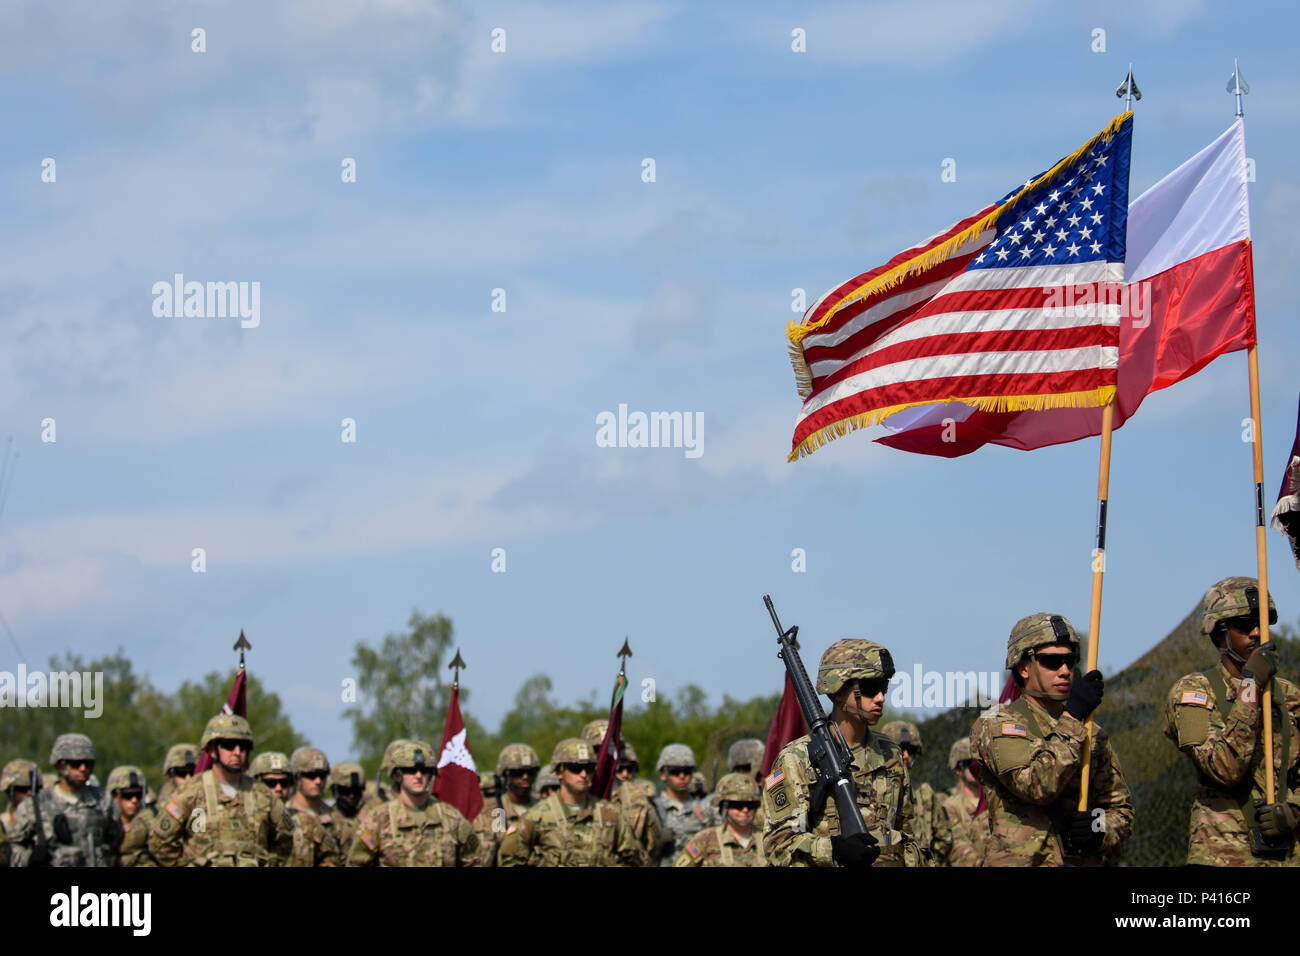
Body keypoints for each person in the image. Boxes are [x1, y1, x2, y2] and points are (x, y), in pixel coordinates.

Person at [971, 613, 1133, 866]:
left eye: (1070, 661)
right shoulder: (997, 724)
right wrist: (1074, 716)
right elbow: (1037, 785)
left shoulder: (1092, 733)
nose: (1065, 671)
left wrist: (1098, 829)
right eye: (1052, 662)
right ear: (1024, 667)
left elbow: (1118, 808)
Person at [1165, 577, 1300, 865]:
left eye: (1261, 623)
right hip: (1224, 855)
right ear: (1219, 635)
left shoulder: (1288, 695)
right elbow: (1224, 768)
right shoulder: (1193, 692)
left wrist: (1295, 811)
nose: (1255, 633)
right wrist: (1250, 686)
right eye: (1243, 625)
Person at [762, 639, 922, 867]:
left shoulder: (891, 755)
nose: (880, 697)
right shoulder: (795, 759)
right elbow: (778, 844)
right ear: (837, 691)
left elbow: (908, 836)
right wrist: (834, 849)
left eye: (883, 687)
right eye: (869, 688)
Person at [149, 714, 294, 867]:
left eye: (243, 746)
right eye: (229, 745)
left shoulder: (263, 795)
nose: (237, 752)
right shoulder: (190, 792)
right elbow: (159, 840)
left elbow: (286, 837)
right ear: (212, 750)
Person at [497, 738, 645, 867]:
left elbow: (636, 859)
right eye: (575, 768)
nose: (583, 774)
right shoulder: (536, 817)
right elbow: (509, 859)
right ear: (560, 772)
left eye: (588, 768)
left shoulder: (611, 814)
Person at [346, 739, 478, 867]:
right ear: (397, 775)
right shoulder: (379, 819)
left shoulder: (451, 819)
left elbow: (474, 860)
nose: (418, 775)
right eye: (411, 770)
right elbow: (356, 862)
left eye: (424, 770)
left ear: (431, 774)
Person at [10, 733, 121, 867]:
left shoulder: (103, 800)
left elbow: (117, 842)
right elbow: (13, 848)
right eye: (76, 764)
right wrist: (30, 857)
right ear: (60, 766)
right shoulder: (35, 807)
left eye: (88, 763)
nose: (83, 768)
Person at [580, 721, 663, 859]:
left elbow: (652, 848)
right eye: (598, 750)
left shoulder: (637, 800)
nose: (605, 755)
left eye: (612, 749)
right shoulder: (572, 794)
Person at [879, 720, 949, 864]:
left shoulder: (925, 793)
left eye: (911, 750)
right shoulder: (875, 789)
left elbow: (943, 839)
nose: (905, 755)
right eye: (899, 748)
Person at [674, 772, 766, 866]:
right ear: (724, 807)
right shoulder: (705, 840)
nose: (745, 810)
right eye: (738, 805)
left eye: (751, 805)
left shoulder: (767, 838)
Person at [473, 743, 539, 866]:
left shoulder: (543, 808)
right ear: (505, 775)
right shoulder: (491, 809)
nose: (525, 777)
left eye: (530, 772)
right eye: (517, 773)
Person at [652, 743, 717, 865]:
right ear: (662, 774)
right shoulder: (653, 809)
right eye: (675, 772)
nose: (682, 776)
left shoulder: (705, 809)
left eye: (687, 771)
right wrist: (655, 841)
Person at [286, 747, 343, 867]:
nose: (318, 781)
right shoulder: (282, 815)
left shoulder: (335, 819)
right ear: (297, 777)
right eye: (311, 775)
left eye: (322, 775)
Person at [938, 737, 986, 867]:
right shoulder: (951, 807)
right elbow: (957, 847)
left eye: (981, 762)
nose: (977, 767)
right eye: (970, 764)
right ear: (958, 769)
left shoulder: (994, 801)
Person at [107, 765, 154, 867]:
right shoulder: (106, 826)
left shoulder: (151, 822)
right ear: (115, 796)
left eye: (138, 795)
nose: (134, 800)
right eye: (127, 795)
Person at [328, 761, 368, 851]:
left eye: (356, 790)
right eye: (346, 791)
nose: (352, 796)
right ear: (335, 791)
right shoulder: (327, 820)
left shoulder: (369, 819)